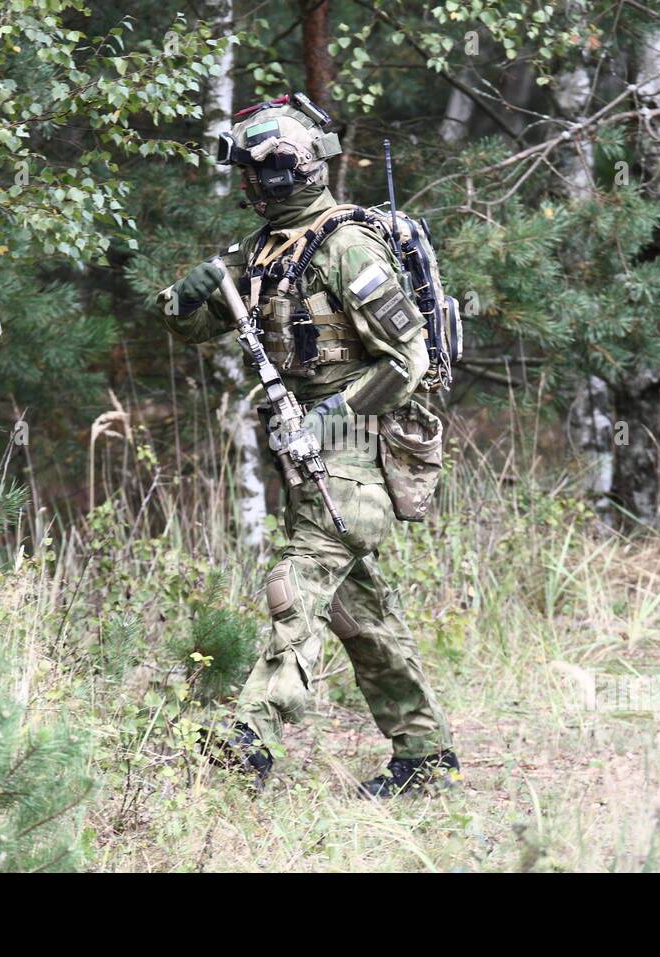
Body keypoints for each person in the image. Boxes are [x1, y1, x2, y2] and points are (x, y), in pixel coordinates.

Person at [157, 94, 461, 797]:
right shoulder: (267, 248)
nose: (248, 185)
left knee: (295, 588)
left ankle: (250, 738)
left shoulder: (347, 245)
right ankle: (427, 758)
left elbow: (407, 360)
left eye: (258, 171)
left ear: (288, 170)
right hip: (303, 456)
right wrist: (187, 294)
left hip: (353, 451)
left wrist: (330, 417)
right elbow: (189, 324)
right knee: (362, 614)